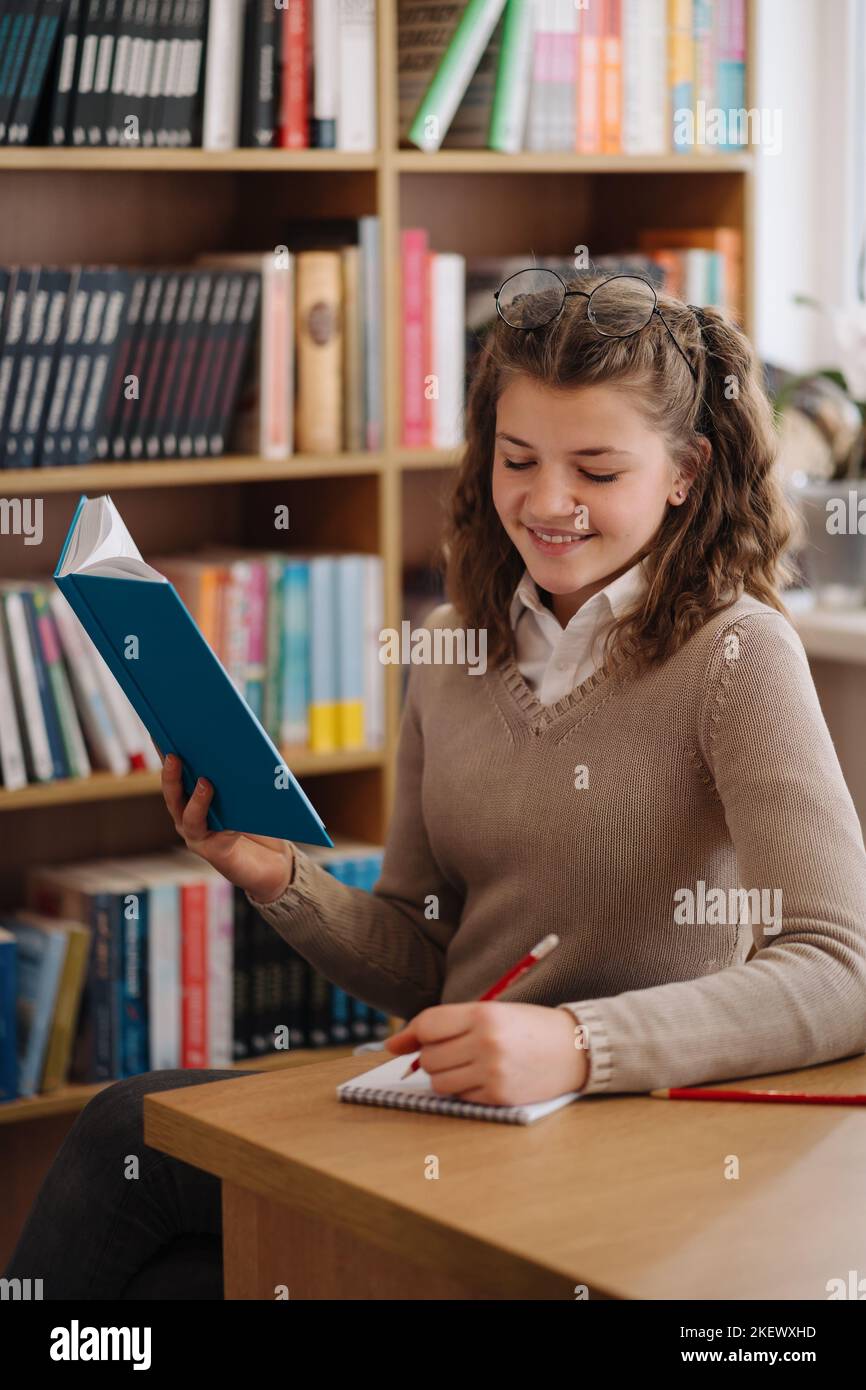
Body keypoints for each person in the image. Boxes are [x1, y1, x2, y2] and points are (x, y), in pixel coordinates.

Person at [8, 271, 865, 1298]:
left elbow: (841, 967)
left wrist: (577, 1043)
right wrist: (278, 874)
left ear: (685, 471)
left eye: (595, 470)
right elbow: (428, 959)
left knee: (124, 1135)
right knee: (174, 1262)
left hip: (630, 1126)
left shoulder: (737, 654)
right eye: (517, 459)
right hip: (458, 1109)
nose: (546, 503)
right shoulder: (450, 646)